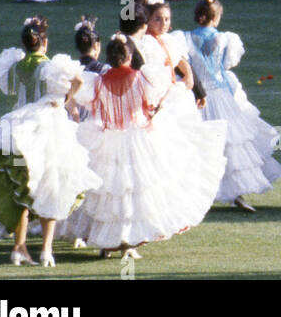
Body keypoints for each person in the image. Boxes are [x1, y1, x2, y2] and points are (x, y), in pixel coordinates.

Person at [62, 33, 226, 257]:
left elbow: (79, 93)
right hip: (138, 139)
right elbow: (160, 97)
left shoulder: (97, 81)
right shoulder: (143, 78)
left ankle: (108, 243)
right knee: (133, 193)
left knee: (110, 193)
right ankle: (126, 243)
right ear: (129, 56)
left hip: (106, 138)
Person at [0, 19, 100, 267]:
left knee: (25, 191)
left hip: (19, 129)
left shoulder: (15, 66)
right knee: (51, 186)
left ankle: (19, 247)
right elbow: (77, 81)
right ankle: (46, 250)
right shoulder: (51, 67)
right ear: (44, 42)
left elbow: (12, 90)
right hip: (47, 128)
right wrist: (64, 99)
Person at [186, 0, 281, 213]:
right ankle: (236, 192)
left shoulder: (184, 38)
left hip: (197, 96)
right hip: (220, 95)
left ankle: (200, 192)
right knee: (230, 144)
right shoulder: (226, 38)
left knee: (200, 143)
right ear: (216, 17)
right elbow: (227, 64)